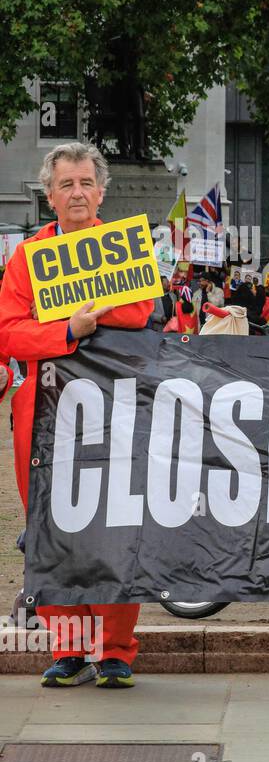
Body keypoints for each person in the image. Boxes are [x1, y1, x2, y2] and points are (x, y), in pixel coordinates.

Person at [0, 142, 154, 688]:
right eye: (66, 185)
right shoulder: (25, 260)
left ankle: (115, 650)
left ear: (101, 191)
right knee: (53, 525)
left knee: (115, 523)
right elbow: (9, 331)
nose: (78, 193)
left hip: (113, 410)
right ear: (49, 195)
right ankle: (68, 648)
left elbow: (139, 311)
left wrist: (78, 318)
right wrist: (70, 329)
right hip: (43, 412)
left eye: (86, 183)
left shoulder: (122, 247)